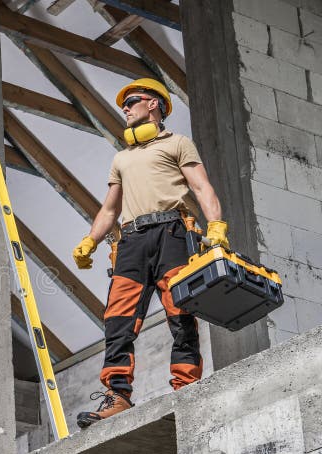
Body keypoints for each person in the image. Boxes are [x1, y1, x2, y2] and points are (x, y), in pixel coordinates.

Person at [72, 78, 229, 429]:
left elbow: (202, 187)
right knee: (118, 319)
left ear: (153, 104)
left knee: (181, 314)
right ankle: (118, 395)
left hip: (172, 233)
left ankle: (186, 387)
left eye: (132, 102)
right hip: (130, 242)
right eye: (124, 105)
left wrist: (216, 226)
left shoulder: (177, 143)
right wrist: (91, 240)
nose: (125, 108)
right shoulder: (121, 158)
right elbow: (110, 210)